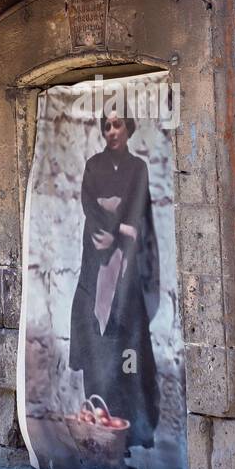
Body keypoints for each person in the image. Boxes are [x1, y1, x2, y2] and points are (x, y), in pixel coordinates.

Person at [69, 113, 161, 451]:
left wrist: (123, 230)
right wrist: (113, 229)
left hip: (127, 262)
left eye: (117, 125)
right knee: (96, 337)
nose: (112, 132)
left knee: (129, 343)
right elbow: (88, 204)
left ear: (129, 129)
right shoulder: (94, 166)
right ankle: (100, 429)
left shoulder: (138, 169)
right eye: (106, 126)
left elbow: (138, 211)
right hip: (96, 256)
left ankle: (134, 428)